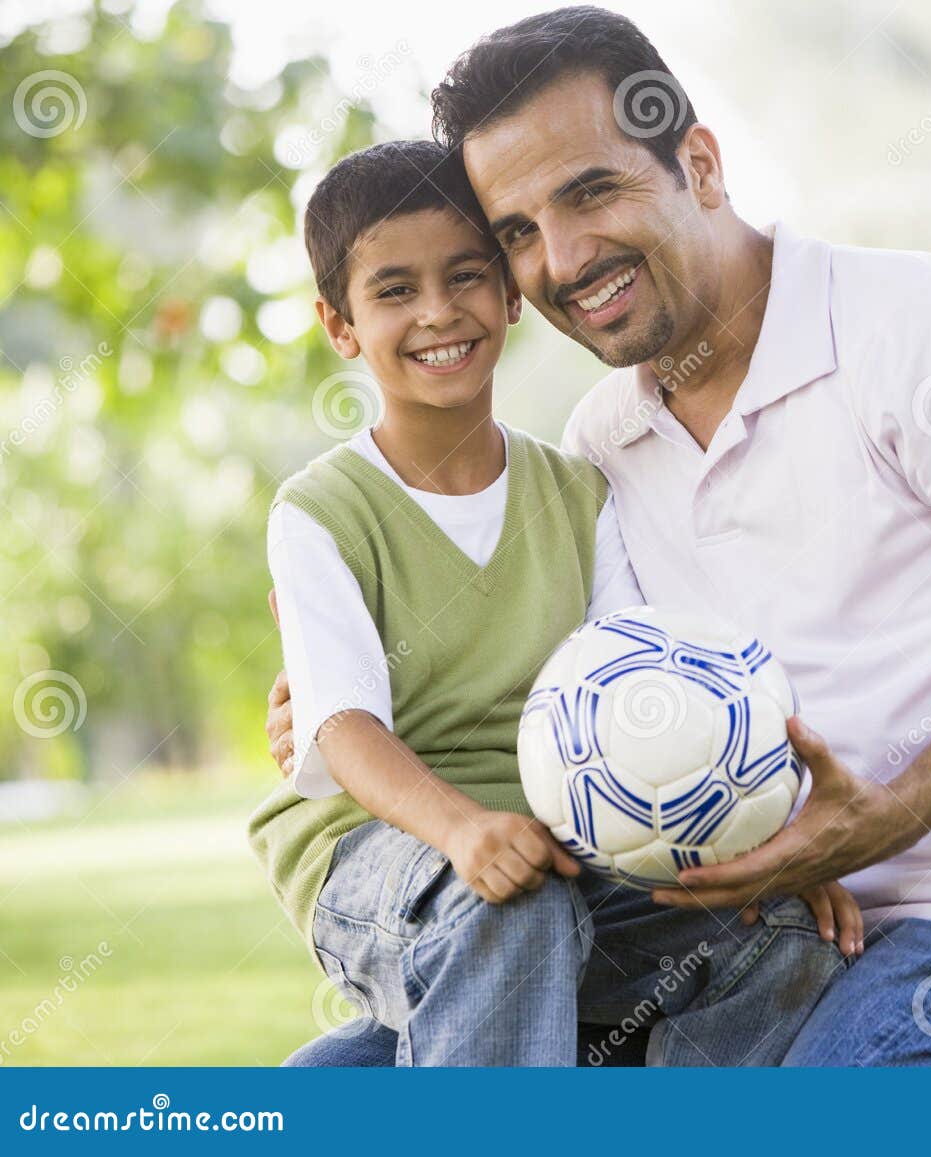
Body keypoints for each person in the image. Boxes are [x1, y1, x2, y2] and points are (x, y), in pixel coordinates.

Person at [269, 6, 931, 1067]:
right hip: (711, 920)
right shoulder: (601, 446)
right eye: (516, 231)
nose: (561, 257)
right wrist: (344, 705)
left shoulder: (918, 327)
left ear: (698, 162)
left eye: (591, 190)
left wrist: (880, 816)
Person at [248, 138, 853, 1067]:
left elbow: (629, 683)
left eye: (467, 276)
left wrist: (755, 839)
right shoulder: (320, 511)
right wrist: (462, 829)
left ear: (513, 293)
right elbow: (341, 724)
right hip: (374, 850)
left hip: (560, 848)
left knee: (778, 925)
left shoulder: (579, 494)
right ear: (340, 324)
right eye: (396, 290)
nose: (440, 312)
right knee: (508, 907)